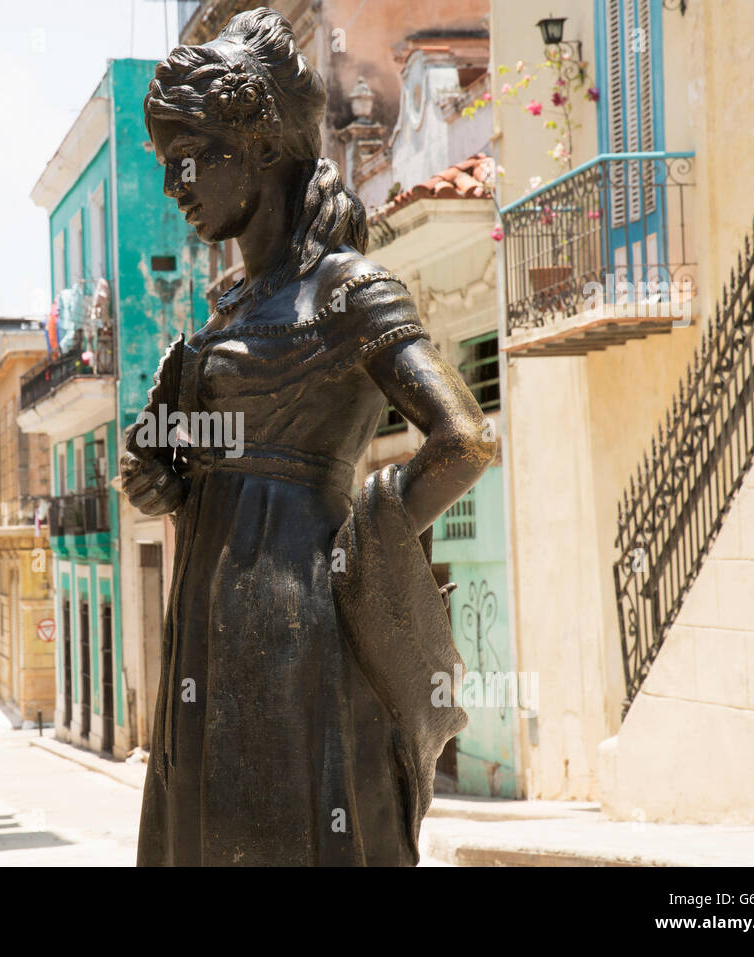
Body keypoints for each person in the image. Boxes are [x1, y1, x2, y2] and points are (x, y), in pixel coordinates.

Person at [122, 10, 493, 866]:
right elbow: (199, 472)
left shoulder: (349, 291)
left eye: (191, 154)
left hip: (303, 623)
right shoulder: (229, 312)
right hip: (208, 622)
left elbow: (463, 437)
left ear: (258, 146)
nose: (175, 182)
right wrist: (168, 484)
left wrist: (357, 544)